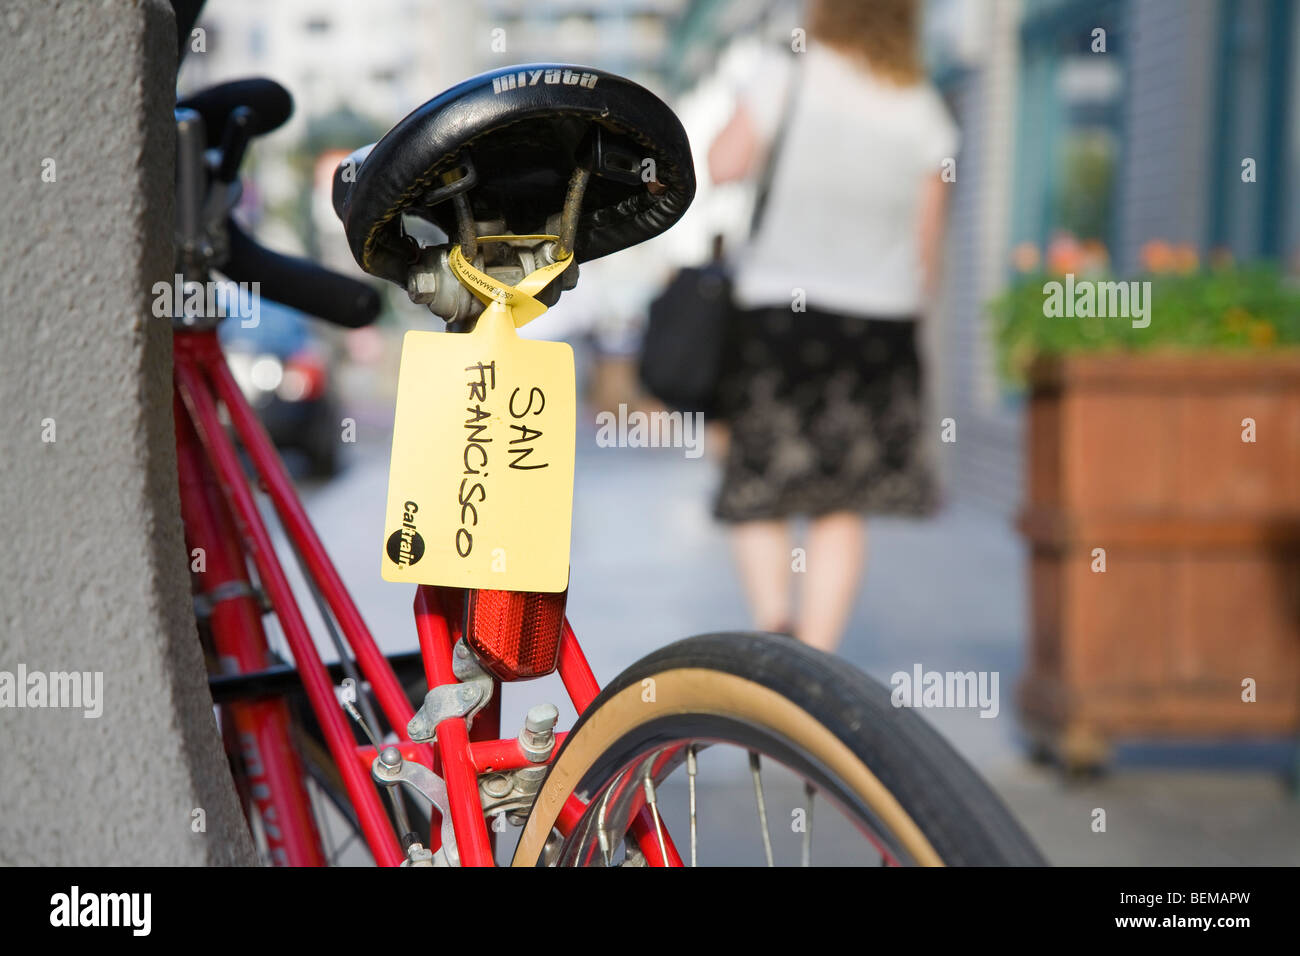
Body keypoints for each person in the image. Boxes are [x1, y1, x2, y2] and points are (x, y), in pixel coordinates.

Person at [706, 0, 958, 653]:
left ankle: (774, 630)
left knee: (760, 480)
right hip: (880, 323)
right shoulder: (921, 105)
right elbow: (927, 242)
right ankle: (814, 664)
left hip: (778, 314)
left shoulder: (786, 73)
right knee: (841, 500)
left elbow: (723, 164)